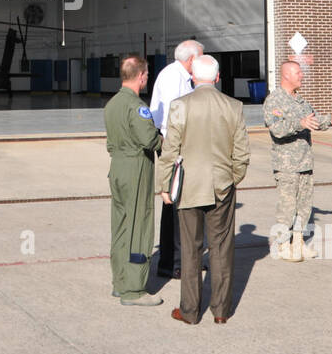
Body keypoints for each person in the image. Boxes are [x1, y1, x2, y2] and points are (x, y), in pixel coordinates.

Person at [154, 55, 250, 325]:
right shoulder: (233, 106)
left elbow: (170, 150)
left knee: (190, 249)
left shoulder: (180, 106)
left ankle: (189, 310)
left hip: (189, 186)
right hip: (222, 185)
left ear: (193, 78)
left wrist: (164, 185)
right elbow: (242, 153)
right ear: (217, 78)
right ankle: (221, 310)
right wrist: (232, 179)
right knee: (221, 248)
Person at [263, 59, 332, 261]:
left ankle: (298, 243)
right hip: (286, 165)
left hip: (304, 163)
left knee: (304, 207)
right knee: (287, 207)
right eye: (298, 73)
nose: (302, 76)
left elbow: (313, 120)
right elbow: (277, 129)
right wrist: (299, 123)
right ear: (286, 75)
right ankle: (282, 245)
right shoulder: (275, 100)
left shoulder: (300, 101)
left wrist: (331, 120)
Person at [103, 54, 163, 306]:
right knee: (139, 226)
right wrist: (165, 140)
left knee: (120, 226)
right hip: (135, 168)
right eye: (147, 74)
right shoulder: (136, 106)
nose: (147, 78)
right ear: (140, 76)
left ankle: (119, 282)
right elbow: (149, 139)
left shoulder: (112, 104)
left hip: (117, 166)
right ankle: (134, 289)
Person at [149, 39, 203, 279]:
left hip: (181, 144)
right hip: (173, 145)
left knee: (182, 204)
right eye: (200, 57)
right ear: (191, 59)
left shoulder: (184, 77)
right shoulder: (172, 76)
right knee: (173, 203)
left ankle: (183, 259)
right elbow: (173, 116)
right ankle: (172, 263)